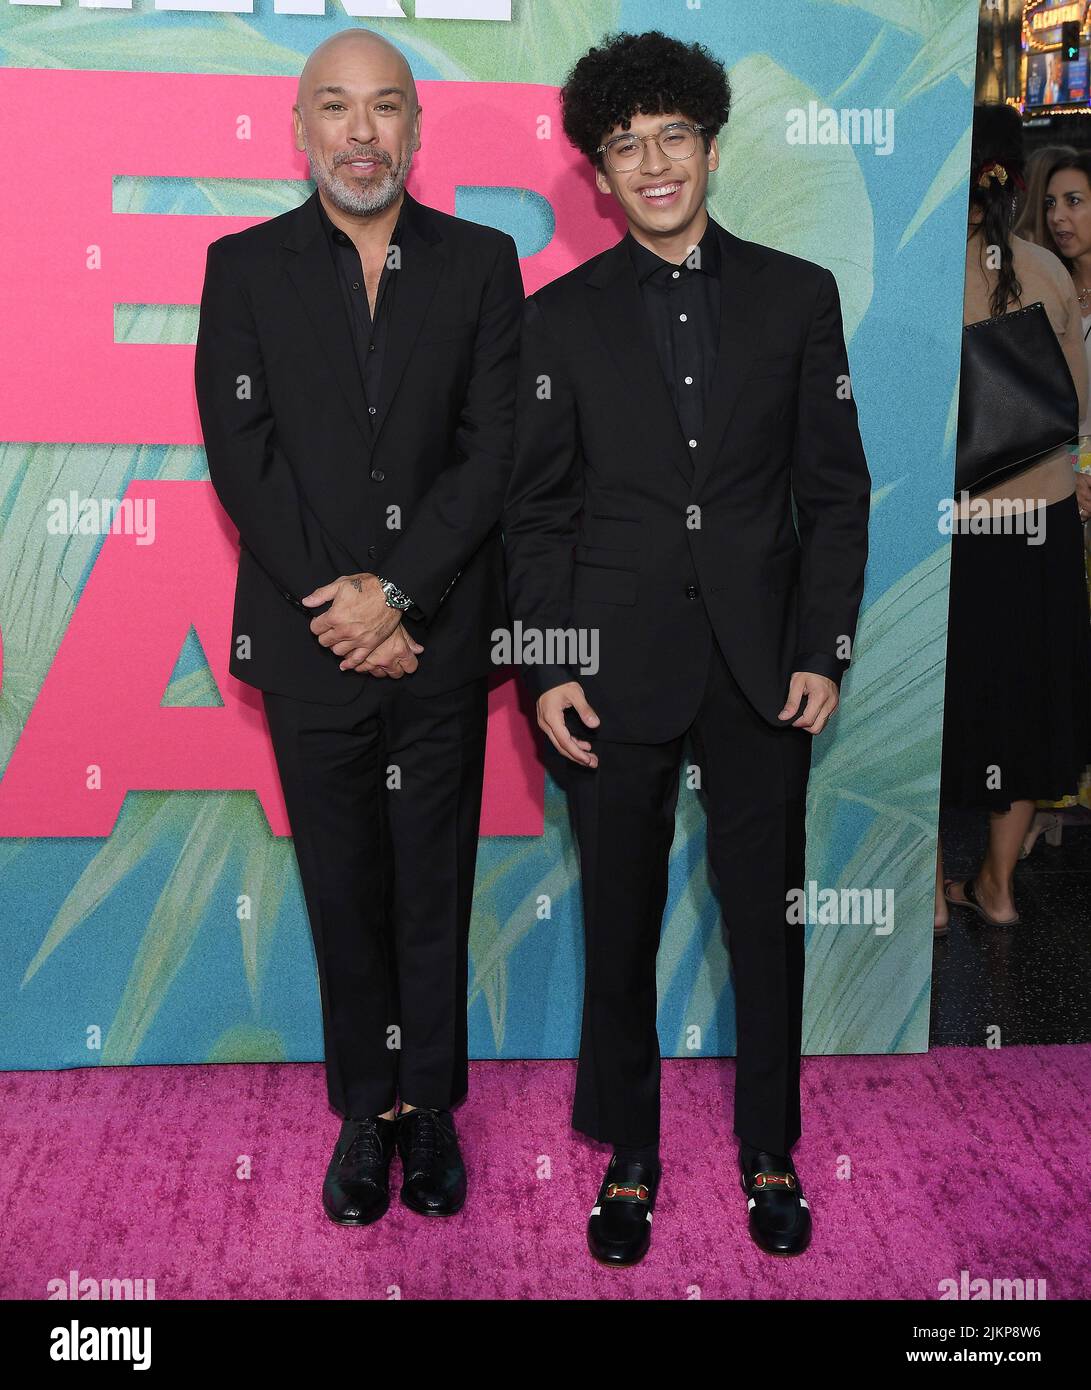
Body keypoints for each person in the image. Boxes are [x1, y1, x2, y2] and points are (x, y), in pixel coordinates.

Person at [502, 29, 871, 1264]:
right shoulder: (552, 321)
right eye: (626, 145)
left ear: (710, 148)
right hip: (610, 668)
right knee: (618, 917)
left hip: (766, 662)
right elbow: (536, 510)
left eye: (673, 137)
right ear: (598, 176)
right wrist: (548, 663)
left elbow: (835, 489)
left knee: (763, 917)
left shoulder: (794, 294)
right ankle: (629, 1151)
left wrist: (821, 643)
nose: (653, 163)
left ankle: (768, 1144)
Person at [194, 29, 523, 1225]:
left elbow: (494, 453)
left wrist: (403, 595)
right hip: (309, 638)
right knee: (341, 883)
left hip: (434, 638)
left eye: (385, 107)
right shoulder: (243, 268)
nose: (361, 131)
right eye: (335, 107)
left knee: (429, 880)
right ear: (300, 127)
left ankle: (428, 1109)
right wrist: (344, 602)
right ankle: (362, 1110)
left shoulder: (484, 265)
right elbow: (246, 459)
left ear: (417, 131)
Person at [936, 106, 1091, 932]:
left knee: (939, 706)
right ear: (1015, 182)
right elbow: (1075, 405)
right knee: (1028, 705)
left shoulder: (921, 270)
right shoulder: (1049, 272)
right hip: (1043, 526)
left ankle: (925, 893)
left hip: (952, 533)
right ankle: (996, 887)